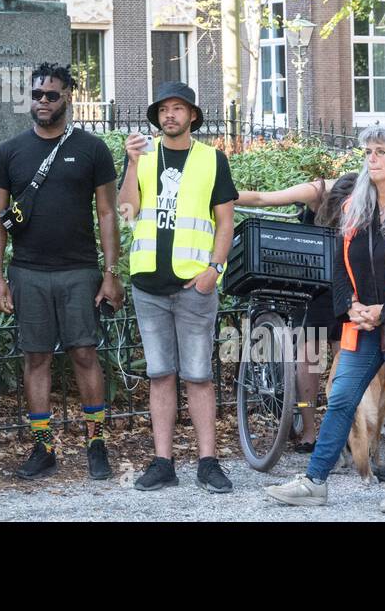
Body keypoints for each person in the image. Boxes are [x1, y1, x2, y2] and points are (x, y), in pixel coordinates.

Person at [266, 126, 385, 515]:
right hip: (361, 322)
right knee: (340, 400)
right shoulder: (356, 207)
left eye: (382, 151)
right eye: (368, 151)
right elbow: (338, 266)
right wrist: (349, 306)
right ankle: (315, 481)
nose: (372, 158)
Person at [0, 64, 124, 480]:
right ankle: (43, 448)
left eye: (51, 95)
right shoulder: (9, 152)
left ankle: (96, 443)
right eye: (36, 95)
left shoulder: (92, 149)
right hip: (28, 272)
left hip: (79, 271)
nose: (42, 101)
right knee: (37, 358)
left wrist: (111, 272)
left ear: (69, 98)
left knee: (85, 354)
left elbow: (106, 214)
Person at [117, 81, 237, 494]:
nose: (170, 115)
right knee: (160, 374)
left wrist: (214, 270)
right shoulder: (144, 155)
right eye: (164, 109)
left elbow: (225, 221)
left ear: (192, 116)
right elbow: (127, 212)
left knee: (200, 376)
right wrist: (131, 164)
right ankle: (163, 461)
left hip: (194, 286)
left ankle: (208, 462)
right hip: (148, 284)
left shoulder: (212, 159)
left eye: (178, 108)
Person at [237, 174, 359, 450]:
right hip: (317, 285)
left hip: (351, 284)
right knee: (310, 358)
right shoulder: (317, 192)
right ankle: (310, 429)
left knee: (347, 360)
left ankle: (346, 429)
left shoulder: (371, 196)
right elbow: (262, 199)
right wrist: (219, 196)